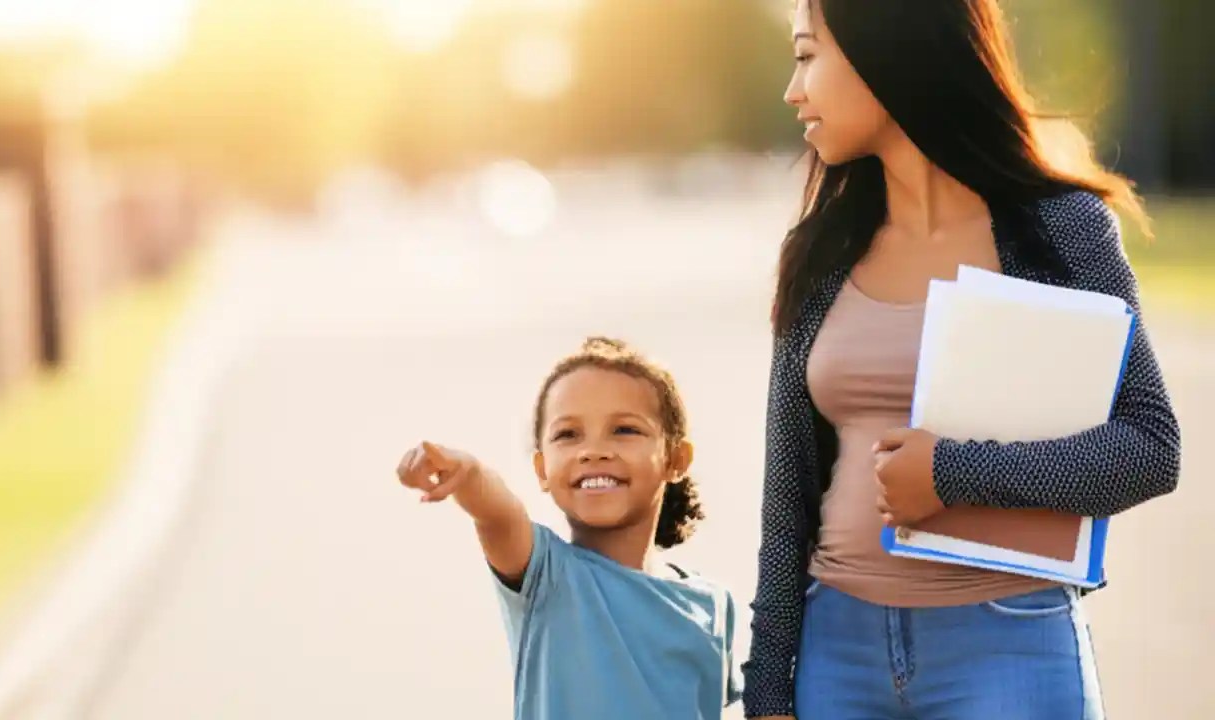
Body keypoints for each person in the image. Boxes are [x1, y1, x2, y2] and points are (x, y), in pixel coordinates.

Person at [741, 1, 1182, 719]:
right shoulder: (818, 251)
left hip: (1006, 647)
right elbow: (788, 499)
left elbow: (1149, 448)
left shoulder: (1060, 230)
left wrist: (951, 474)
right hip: (836, 653)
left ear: (885, 49)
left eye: (806, 56)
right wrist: (766, 691)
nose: (794, 90)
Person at [396, 337, 742, 719]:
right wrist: (469, 474)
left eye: (624, 430)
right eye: (568, 434)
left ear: (676, 459)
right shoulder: (546, 574)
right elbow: (499, 514)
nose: (593, 450)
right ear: (542, 469)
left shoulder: (712, 603)